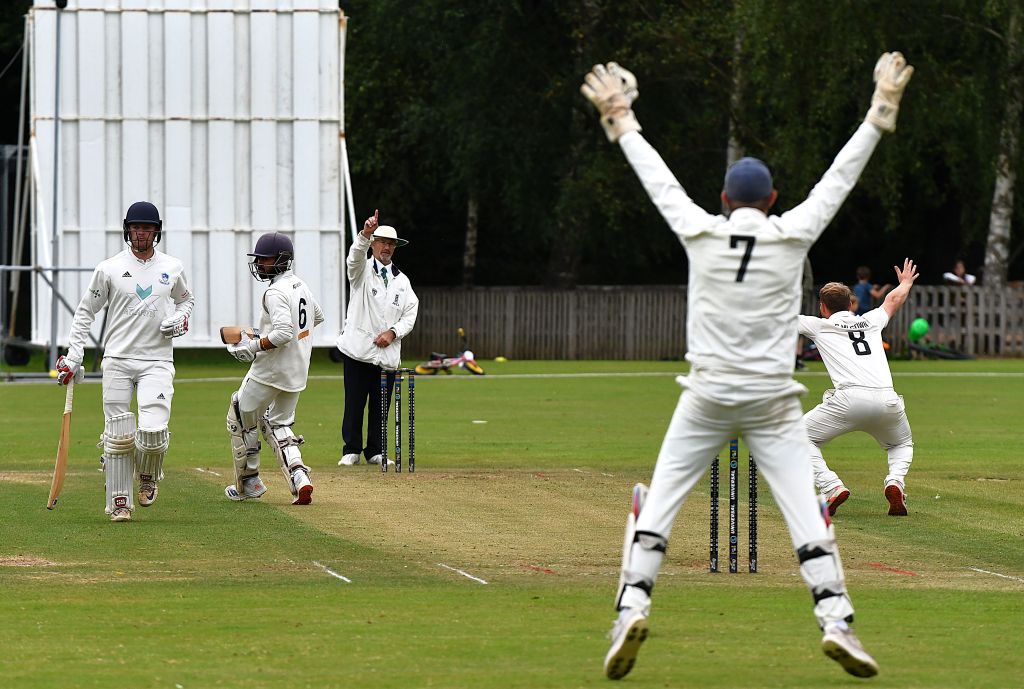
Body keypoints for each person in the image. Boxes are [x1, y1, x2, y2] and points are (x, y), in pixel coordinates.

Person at [581, 51, 913, 680]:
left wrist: (621, 119)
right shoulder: (792, 234)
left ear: (726, 198)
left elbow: (658, 182)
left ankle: (631, 609)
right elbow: (838, 181)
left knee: (658, 506)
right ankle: (835, 618)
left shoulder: (700, 231)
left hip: (705, 393)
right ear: (773, 200)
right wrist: (879, 112)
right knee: (801, 508)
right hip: (770, 397)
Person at [55, 201, 195, 522]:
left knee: (152, 431)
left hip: (157, 360)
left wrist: (180, 318)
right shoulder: (109, 268)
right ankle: (119, 501)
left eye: (147, 228)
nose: (141, 233)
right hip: (117, 359)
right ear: (127, 230)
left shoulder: (172, 267)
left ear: (156, 231)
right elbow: (85, 312)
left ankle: (147, 475)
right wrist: (74, 357)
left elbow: (186, 299)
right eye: (136, 228)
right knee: (118, 436)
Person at [798, 259, 918, 519]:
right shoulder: (870, 321)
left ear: (823, 307)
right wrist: (906, 283)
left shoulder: (820, 325)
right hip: (887, 399)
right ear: (851, 304)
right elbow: (893, 300)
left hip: (848, 400)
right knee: (901, 443)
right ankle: (895, 482)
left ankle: (831, 486)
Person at [223, 232, 324, 504]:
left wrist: (253, 346)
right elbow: (317, 316)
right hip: (297, 371)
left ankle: (249, 482)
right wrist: (262, 333)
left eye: (264, 259)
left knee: (239, 417)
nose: (259, 264)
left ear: (280, 260)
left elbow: (283, 334)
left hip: (269, 371)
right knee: (278, 423)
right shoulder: (300, 285)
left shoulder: (274, 292)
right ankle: (300, 477)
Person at [337, 210, 419, 466]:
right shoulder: (361, 272)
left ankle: (375, 450)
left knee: (381, 407)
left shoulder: (402, 282)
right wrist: (364, 235)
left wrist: (393, 333)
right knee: (354, 403)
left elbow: (410, 314)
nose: (387, 247)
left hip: (387, 355)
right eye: (382, 241)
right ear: (373, 244)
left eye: (391, 243)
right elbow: (353, 259)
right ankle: (351, 449)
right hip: (358, 351)